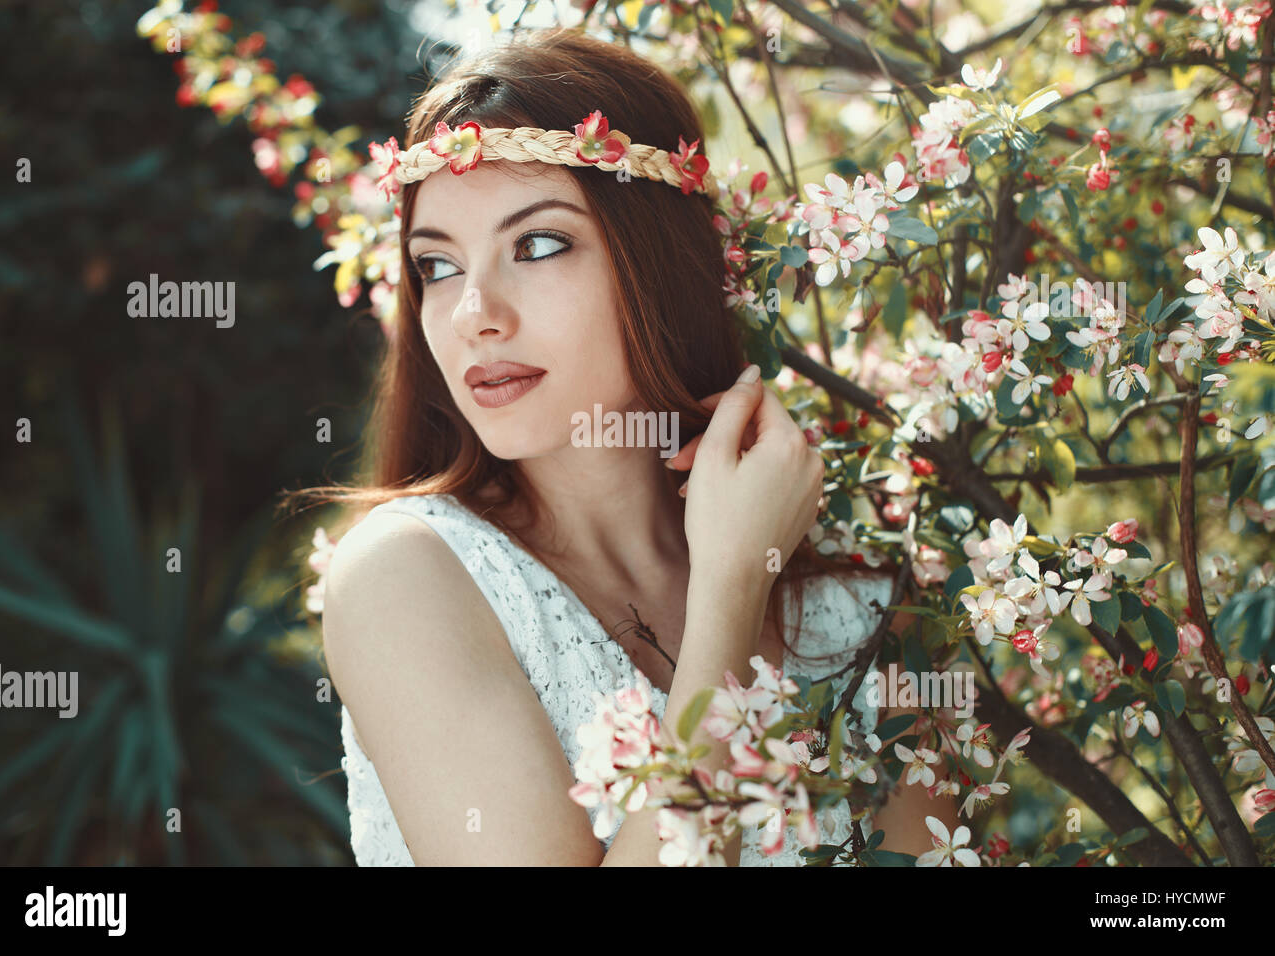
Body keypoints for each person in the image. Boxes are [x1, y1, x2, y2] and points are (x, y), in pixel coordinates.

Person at [293, 26, 957, 866]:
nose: (474, 314)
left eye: (536, 245)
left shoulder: (861, 607)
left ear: (660, 265)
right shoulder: (405, 579)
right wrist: (728, 592)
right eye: (438, 265)